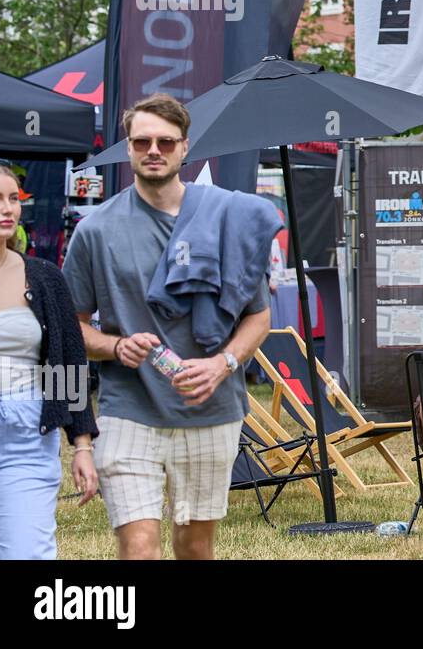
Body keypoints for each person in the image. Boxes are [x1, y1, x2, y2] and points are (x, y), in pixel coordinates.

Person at [62, 94, 280, 560]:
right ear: (128, 148)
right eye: (142, 141)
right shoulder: (96, 230)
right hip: (128, 409)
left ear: (185, 148)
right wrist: (117, 346)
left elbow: (257, 315)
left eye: (166, 141)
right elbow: (70, 328)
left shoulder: (226, 218)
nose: (153, 150)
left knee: (195, 547)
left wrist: (223, 363)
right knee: (139, 545)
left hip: (212, 407)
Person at [0, 163, 98, 558]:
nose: (8, 209)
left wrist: (81, 444)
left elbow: (68, 362)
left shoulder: (45, 278)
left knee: (25, 552)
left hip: (26, 433)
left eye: (13, 199)